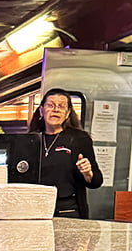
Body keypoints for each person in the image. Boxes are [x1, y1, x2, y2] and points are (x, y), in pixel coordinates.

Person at [28, 88, 103, 218]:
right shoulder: (29, 141)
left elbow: (96, 181)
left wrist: (87, 173)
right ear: (41, 110)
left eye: (61, 106)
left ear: (67, 113)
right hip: (34, 210)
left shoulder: (80, 139)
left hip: (67, 211)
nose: (56, 109)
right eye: (51, 105)